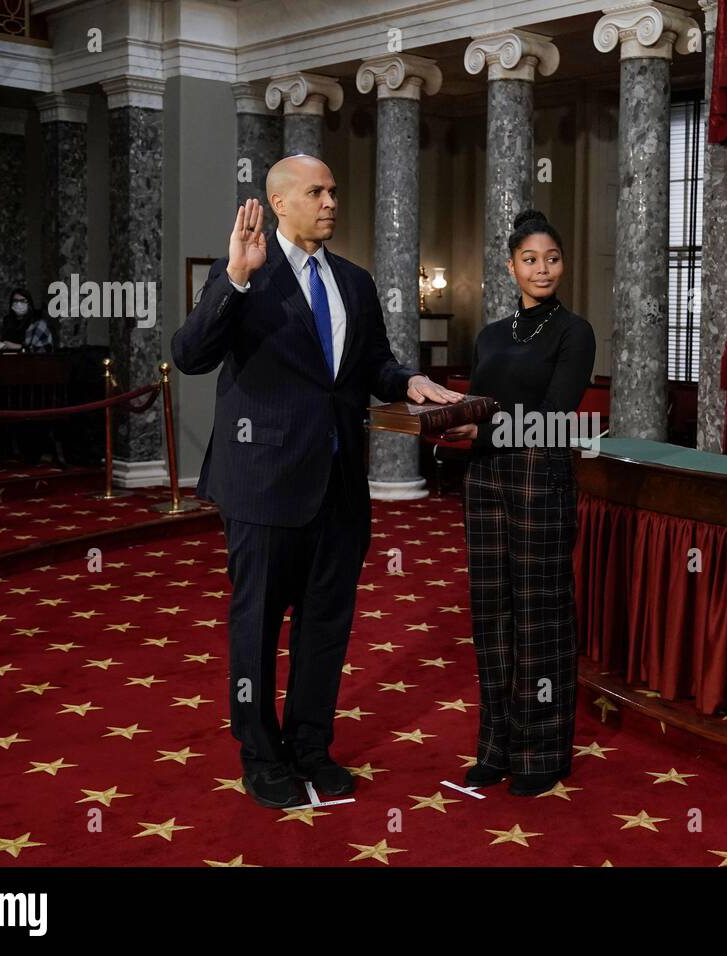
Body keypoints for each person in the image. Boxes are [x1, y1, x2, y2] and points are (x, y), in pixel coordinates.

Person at [172, 155, 462, 810]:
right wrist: (235, 282)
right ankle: (261, 755)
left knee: (325, 626)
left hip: (338, 486)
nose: (332, 200)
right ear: (279, 201)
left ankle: (310, 746)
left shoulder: (356, 283)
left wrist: (407, 381)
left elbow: (375, 367)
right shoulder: (245, 272)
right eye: (317, 191)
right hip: (263, 482)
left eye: (334, 189)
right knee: (256, 628)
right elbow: (190, 355)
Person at [443, 208, 596, 796]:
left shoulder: (572, 331)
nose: (542, 269)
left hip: (541, 479)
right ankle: (495, 746)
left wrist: (478, 431)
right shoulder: (490, 335)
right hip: (483, 480)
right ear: (511, 267)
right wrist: (450, 422)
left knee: (540, 617)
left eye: (552, 259)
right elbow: (482, 405)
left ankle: (541, 751)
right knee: (491, 616)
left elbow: (553, 419)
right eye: (530, 259)